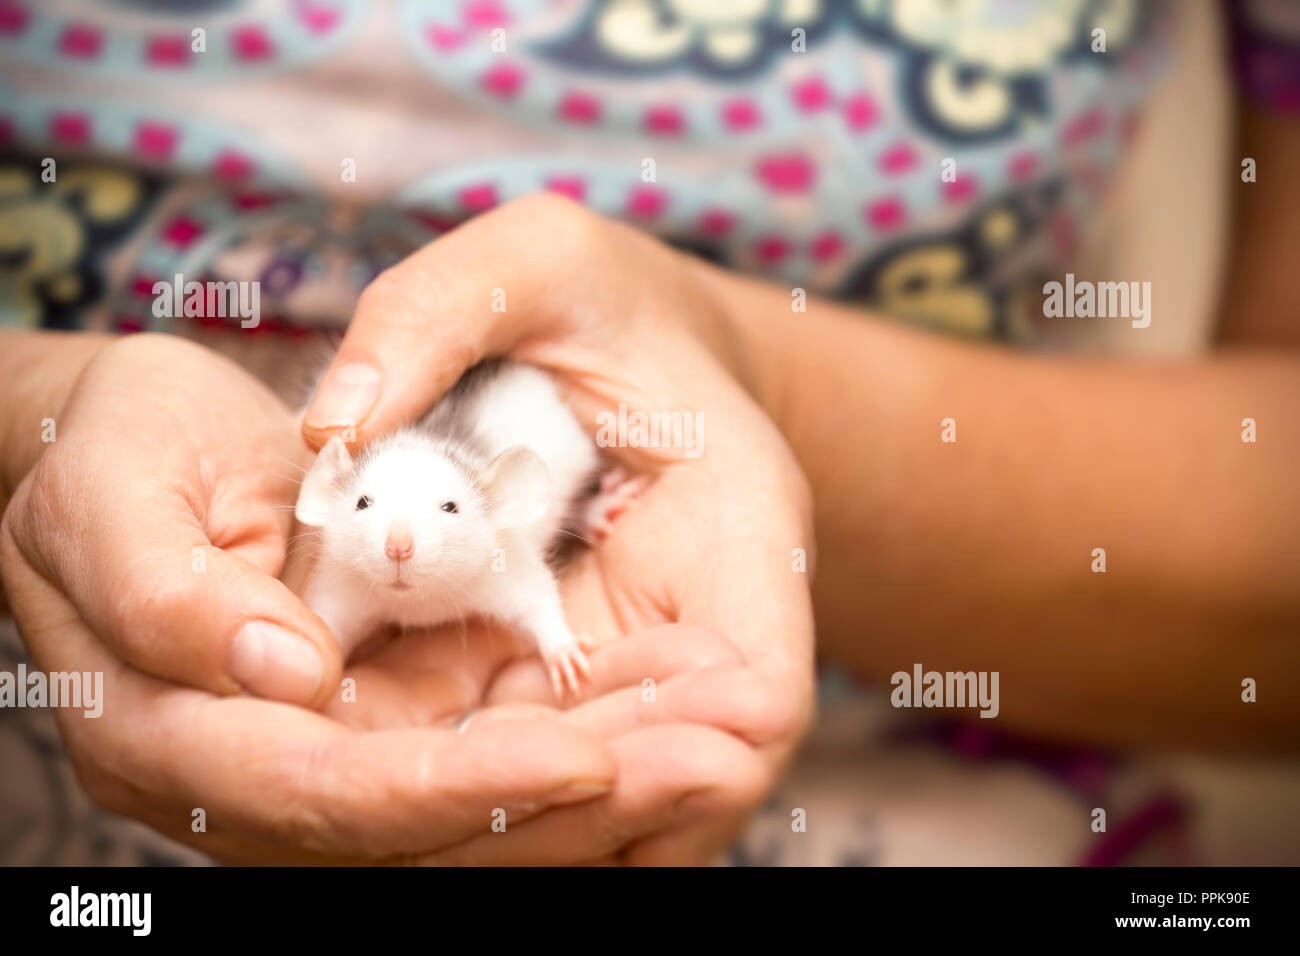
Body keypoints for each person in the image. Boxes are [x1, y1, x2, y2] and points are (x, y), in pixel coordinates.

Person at [0, 0, 1296, 865]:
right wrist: (37, 418)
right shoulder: (362, 525)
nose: (396, 556)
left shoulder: (507, 521)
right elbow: (352, 587)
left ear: (494, 506)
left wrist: (755, 383)